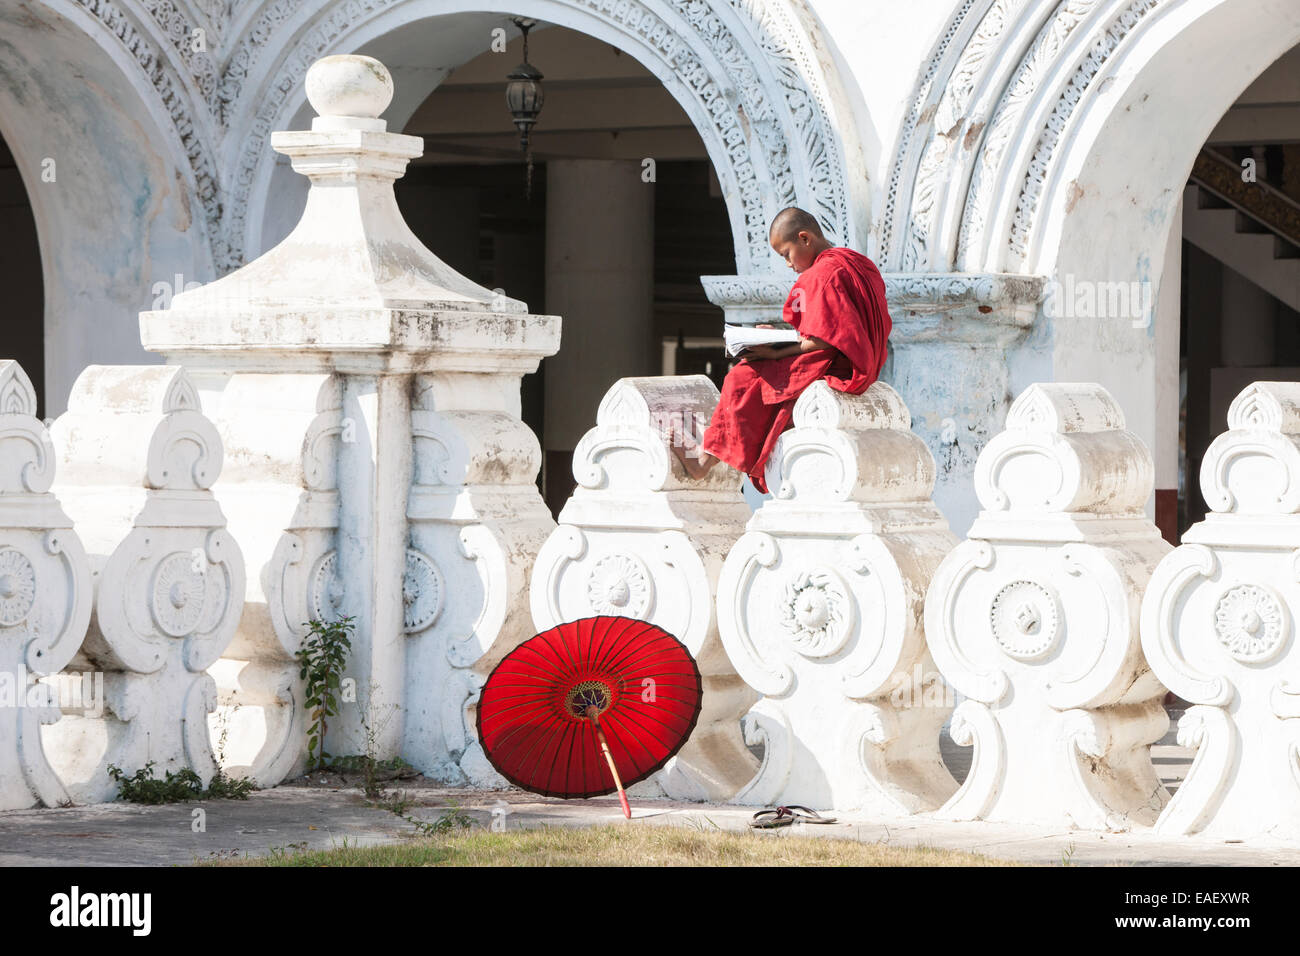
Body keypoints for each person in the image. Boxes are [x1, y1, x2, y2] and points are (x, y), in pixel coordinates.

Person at [673, 207, 892, 492]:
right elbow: (835, 328)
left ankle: (703, 461)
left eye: (786, 254)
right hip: (861, 360)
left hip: (839, 364)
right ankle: (717, 447)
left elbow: (827, 340)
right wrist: (781, 338)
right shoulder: (853, 261)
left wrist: (775, 352)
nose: (788, 265)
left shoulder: (821, 274)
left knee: (742, 379)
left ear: (805, 238)